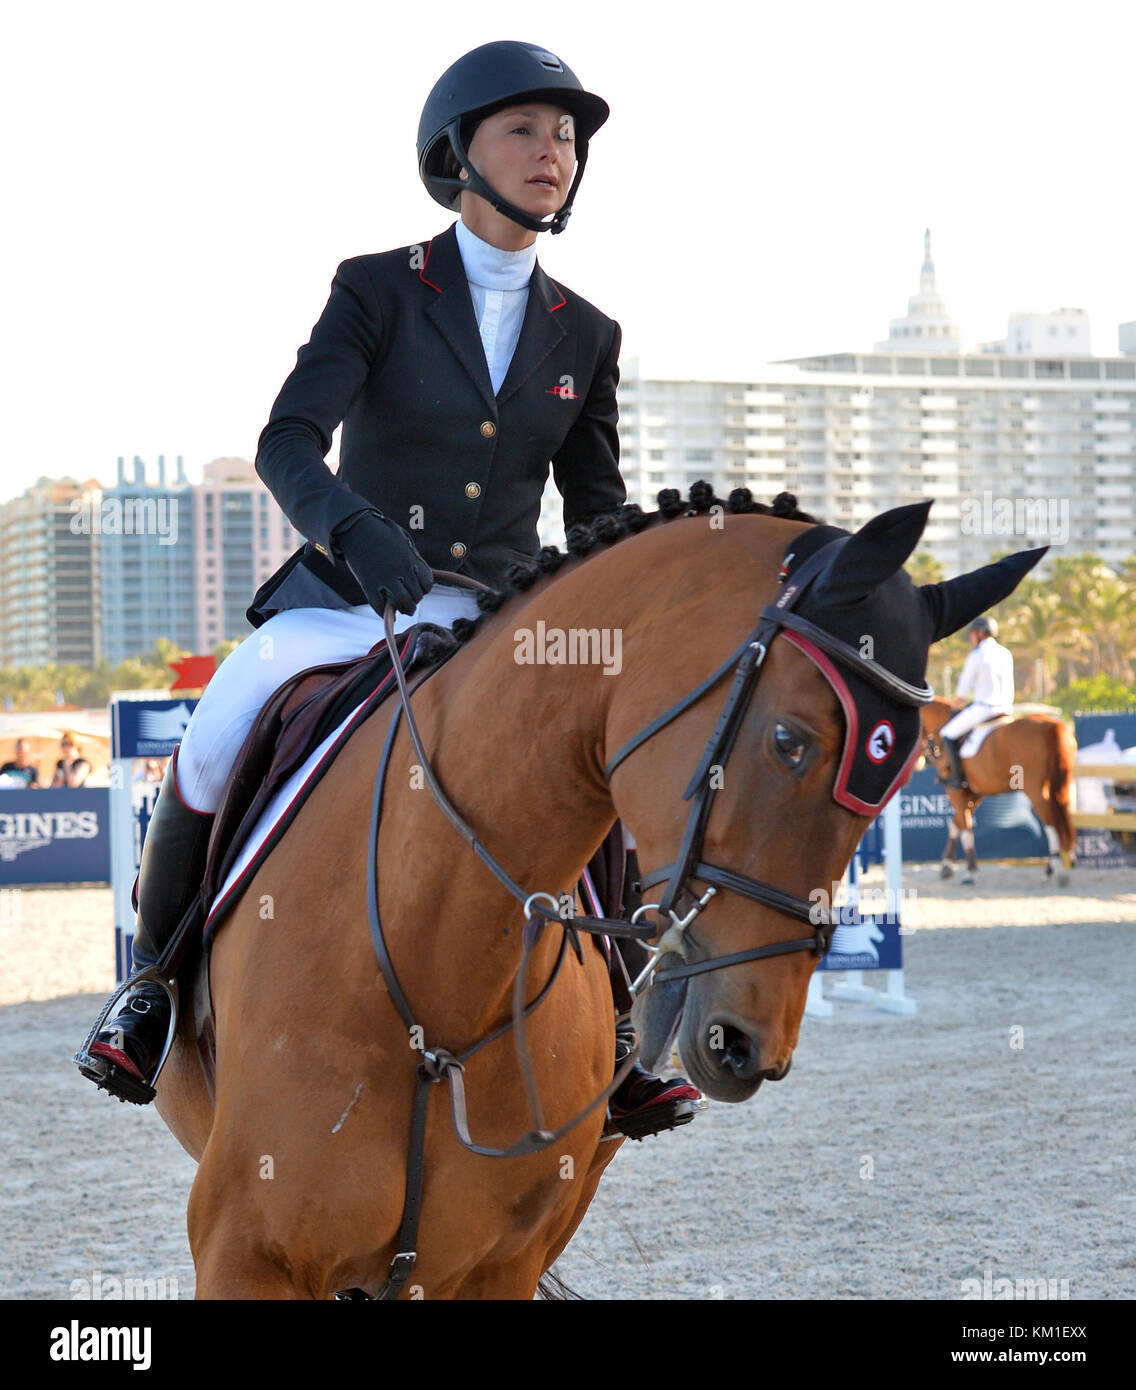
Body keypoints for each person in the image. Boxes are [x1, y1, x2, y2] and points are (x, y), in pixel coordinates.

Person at [78, 40, 702, 1136]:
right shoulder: (375, 287)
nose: (551, 152)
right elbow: (285, 443)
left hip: (496, 618)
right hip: (347, 598)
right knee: (222, 724)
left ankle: (613, 1021)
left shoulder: (588, 332)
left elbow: (593, 506)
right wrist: (356, 533)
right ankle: (153, 986)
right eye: (524, 130)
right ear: (457, 152)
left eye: (564, 136)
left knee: (600, 766)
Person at [938, 616, 1014, 788]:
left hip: (985, 709)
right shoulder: (1005, 653)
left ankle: (959, 779)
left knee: (946, 733)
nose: (972, 639)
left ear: (980, 633)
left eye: (972, 635)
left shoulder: (977, 655)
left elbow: (963, 689)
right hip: (1007, 710)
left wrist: (957, 704)